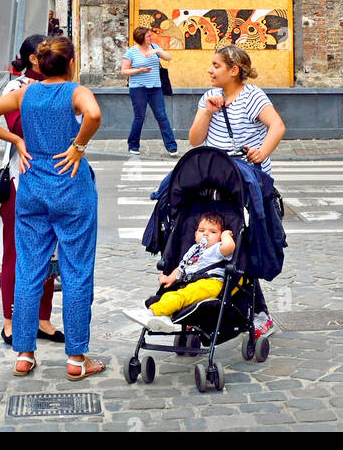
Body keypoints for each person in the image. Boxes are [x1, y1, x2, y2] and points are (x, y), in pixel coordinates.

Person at [0, 36, 104, 380]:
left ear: (40, 65)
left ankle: (24, 354)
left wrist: (15, 140)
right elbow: (94, 114)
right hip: (72, 189)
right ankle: (76, 359)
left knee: (29, 269)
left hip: (32, 188)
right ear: (71, 63)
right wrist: (78, 146)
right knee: (76, 271)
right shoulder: (75, 91)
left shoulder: (25, 93)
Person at [189, 44, 286, 339]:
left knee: (241, 247)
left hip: (247, 186)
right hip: (217, 184)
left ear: (234, 70)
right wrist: (208, 111)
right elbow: (195, 140)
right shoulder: (209, 97)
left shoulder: (252, 95)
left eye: (216, 65)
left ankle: (258, 312)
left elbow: (277, 126)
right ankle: (213, 305)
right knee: (215, 245)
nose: (210, 70)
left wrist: (261, 152)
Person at [0, 34, 62, 347]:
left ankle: (42, 319)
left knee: (49, 253)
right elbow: (19, 128)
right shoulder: (16, 88)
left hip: (54, 180)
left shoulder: (59, 86)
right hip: (20, 180)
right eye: (46, 53)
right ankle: (10, 320)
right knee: (16, 251)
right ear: (34, 59)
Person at [142, 212, 236, 333]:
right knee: (171, 296)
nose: (206, 234)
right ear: (196, 234)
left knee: (181, 297)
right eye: (202, 230)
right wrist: (170, 278)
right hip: (193, 284)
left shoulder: (216, 249)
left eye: (213, 232)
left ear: (219, 237)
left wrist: (225, 234)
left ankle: (152, 313)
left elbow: (229, 246)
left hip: (211, 283)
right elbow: (182, 267)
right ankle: (165, 317)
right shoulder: (193, 250)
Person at [121, 26, 180, 156]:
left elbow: (168, 57)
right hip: (138, 89)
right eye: (148, 36)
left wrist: (157, 51)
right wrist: (139, 70)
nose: (151, 37)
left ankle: (172, 147)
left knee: (162, 116)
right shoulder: (132, 52)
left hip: (155, 88)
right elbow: (124, 70)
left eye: (151, 35)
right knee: (139, 117)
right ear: (141, 37)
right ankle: (133, 145)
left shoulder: (154, 47)